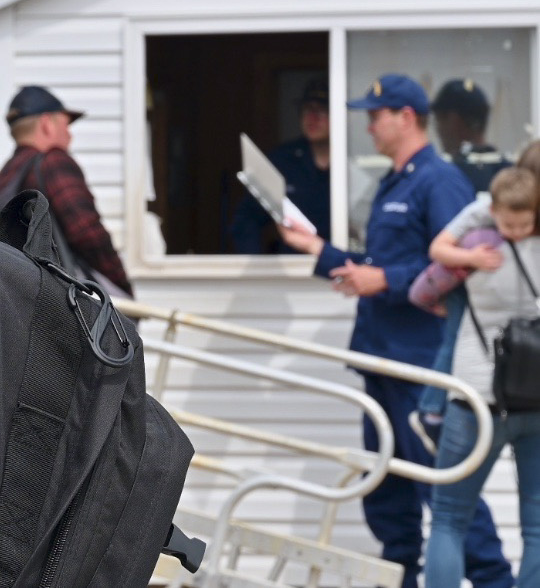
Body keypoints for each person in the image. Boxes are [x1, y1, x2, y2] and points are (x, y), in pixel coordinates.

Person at [279, 73, 512, 588]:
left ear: (406, 117)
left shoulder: (438, 180)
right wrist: (318, 249)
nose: (368, 127)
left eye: (375, 116)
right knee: (388, 495)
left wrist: (386, 279)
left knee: (444, 493)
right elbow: (379, 264)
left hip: (420, 366)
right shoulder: (394, 181)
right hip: (381, 360)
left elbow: (459, 266)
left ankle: (496, 581)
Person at [425, 166, 540, 587]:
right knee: (537, 526)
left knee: (449, 517)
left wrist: (471, 258)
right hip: (535, 398)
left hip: (475, 398)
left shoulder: (478, 243)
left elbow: (432, 265)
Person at [0, 84, 133, 296]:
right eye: (66, 125)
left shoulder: (7, 174)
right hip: (56, 300)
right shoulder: (52, 162)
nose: (70, 136)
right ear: (47, 124)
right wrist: (123, 287)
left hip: (14, 297)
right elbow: (88, 233)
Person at [230, 78, 332, 254]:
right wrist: (257, 264)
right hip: (294, 265)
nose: (312, 118)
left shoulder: (351, 160)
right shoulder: (283, 159)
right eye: (307, 109)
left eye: (322, 110)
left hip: (343, 264)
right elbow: (247, 218)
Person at [432, 79, 512, 193]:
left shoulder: (444, 176)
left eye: (439, 120)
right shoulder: (509, 173)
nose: (438, 130)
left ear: (454, 120)